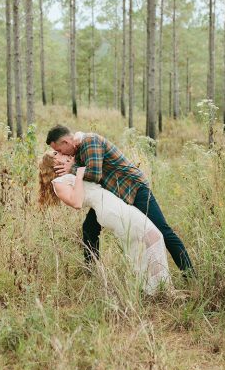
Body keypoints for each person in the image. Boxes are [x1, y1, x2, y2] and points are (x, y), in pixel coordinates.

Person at [46, 125, 194, 274]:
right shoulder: (78, 148)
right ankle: (91, 272)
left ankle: (189, 273)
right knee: (89, 228)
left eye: (59, 150)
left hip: (133, 189)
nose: (61, 153)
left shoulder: (89, 141)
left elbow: (94, 174)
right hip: (115, 195)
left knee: (163, 231)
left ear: (66, 142)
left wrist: (72, 169)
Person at [38, 150, 171, 294]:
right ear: (53, 162)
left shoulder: (71, 171)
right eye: (55, 153)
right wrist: (79, 175)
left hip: (113, 204)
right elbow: (76, 203)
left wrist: (76, 169)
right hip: (108, 209)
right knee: (153, 236)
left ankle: (154, 287)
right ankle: (159, 288)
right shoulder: (59, 183)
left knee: (142, 242)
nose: (60, 151)